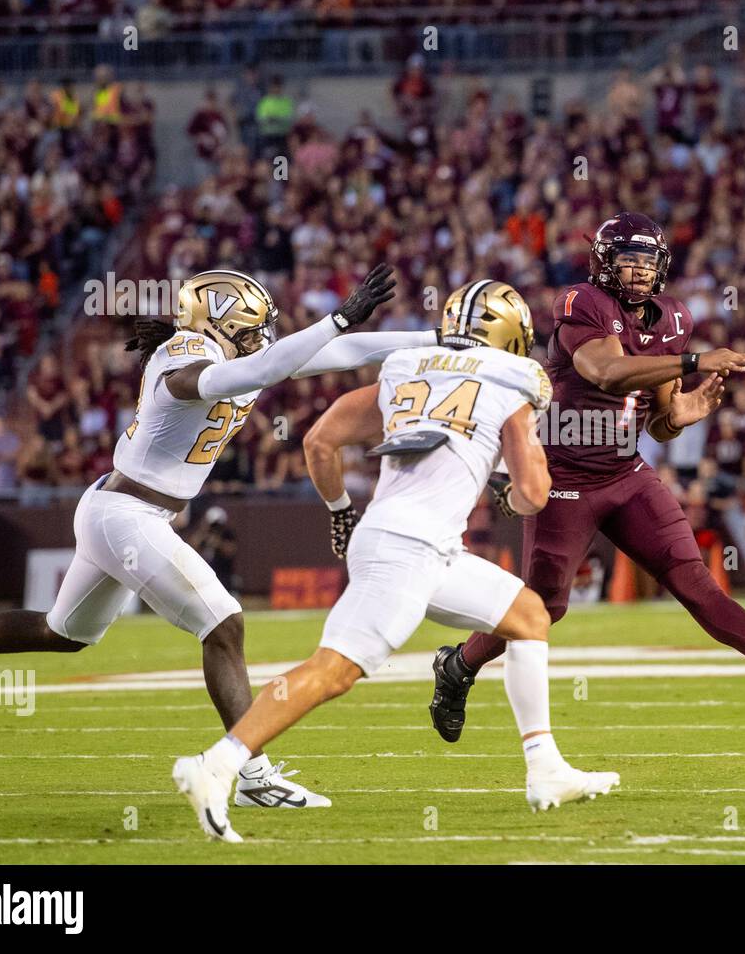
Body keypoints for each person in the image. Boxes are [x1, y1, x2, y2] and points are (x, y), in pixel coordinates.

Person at [0, 265, 436, 811]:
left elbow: (345, 352)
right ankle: (251, 773)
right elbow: (252, 370)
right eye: (248, 331)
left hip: (121, 510)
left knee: (63, 632)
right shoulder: (183, 357)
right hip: (127, 515)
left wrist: (438, 341)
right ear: (214, 325)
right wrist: (335, 318)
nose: (258, 340)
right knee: (223, 622)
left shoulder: (235, 357)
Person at [173, 280, 618, 843]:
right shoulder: (514, 380)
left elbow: (319, 441)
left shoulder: (409, 366)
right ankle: (214, 767)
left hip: (410, 540)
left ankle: (545, 768)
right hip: (411, 549)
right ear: (512, 336)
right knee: (333, 671)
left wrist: (339, 510)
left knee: (528, 616)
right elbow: (532, 493)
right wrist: (512, 484)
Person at [428, 213, 745, 744]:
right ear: (604, 263)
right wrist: (694, 362)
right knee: (546, 605)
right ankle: (458, 666)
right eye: (627, 259)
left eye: (646, 260)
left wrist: (681, 414)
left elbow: (658, 420)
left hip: (625, 471)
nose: (637, 270)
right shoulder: (581, 302)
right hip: (563, 475)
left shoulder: (672, 318)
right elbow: (606, 372)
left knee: (694, 580)